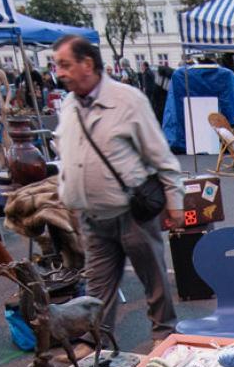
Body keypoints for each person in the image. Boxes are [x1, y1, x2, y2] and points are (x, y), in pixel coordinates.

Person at [53, 34, 181, 334]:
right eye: (56, 65)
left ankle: (165, 338)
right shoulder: (69, 104)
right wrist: (69, 198)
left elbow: (161, 156)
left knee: (155, 281)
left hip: (131, 213)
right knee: (96, 289)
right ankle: (97, 344)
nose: (58, 72)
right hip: (92, 217)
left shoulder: (127, 100)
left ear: (87, 64)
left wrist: (175, 204)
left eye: (64, 64)